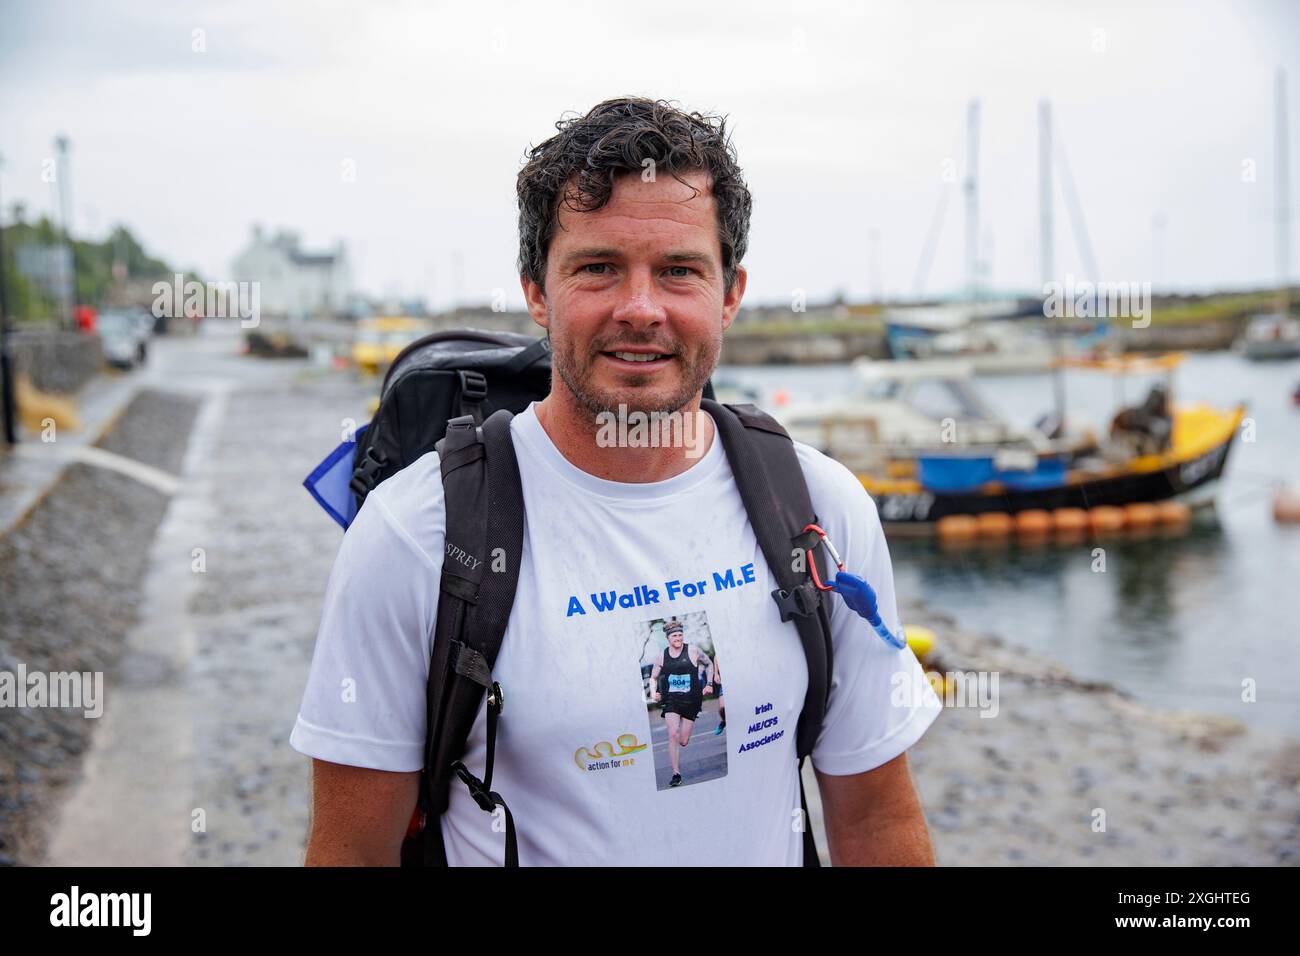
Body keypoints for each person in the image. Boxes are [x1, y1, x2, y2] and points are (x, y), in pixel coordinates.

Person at [291, 96, 942, 866]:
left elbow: (874, 823)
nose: (641, 309)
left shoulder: (820, 510)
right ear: (537, 289)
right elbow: (352, 855)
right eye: (599, 268)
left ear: (730, 294)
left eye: (678, 271)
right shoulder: (415, 536)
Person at [649, 618, 714, 787]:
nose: (678, 638)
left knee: (683, 741)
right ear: (668, 638)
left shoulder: (693, 650)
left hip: (691, 700)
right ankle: (676, 774)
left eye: (680, 634)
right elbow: (653, 678)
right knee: (672, 733)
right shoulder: (661, 657)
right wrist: (654, 691)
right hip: (671, 700)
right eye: (674, 636)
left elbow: (709, 663)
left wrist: (709, 683)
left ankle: (681, 743)